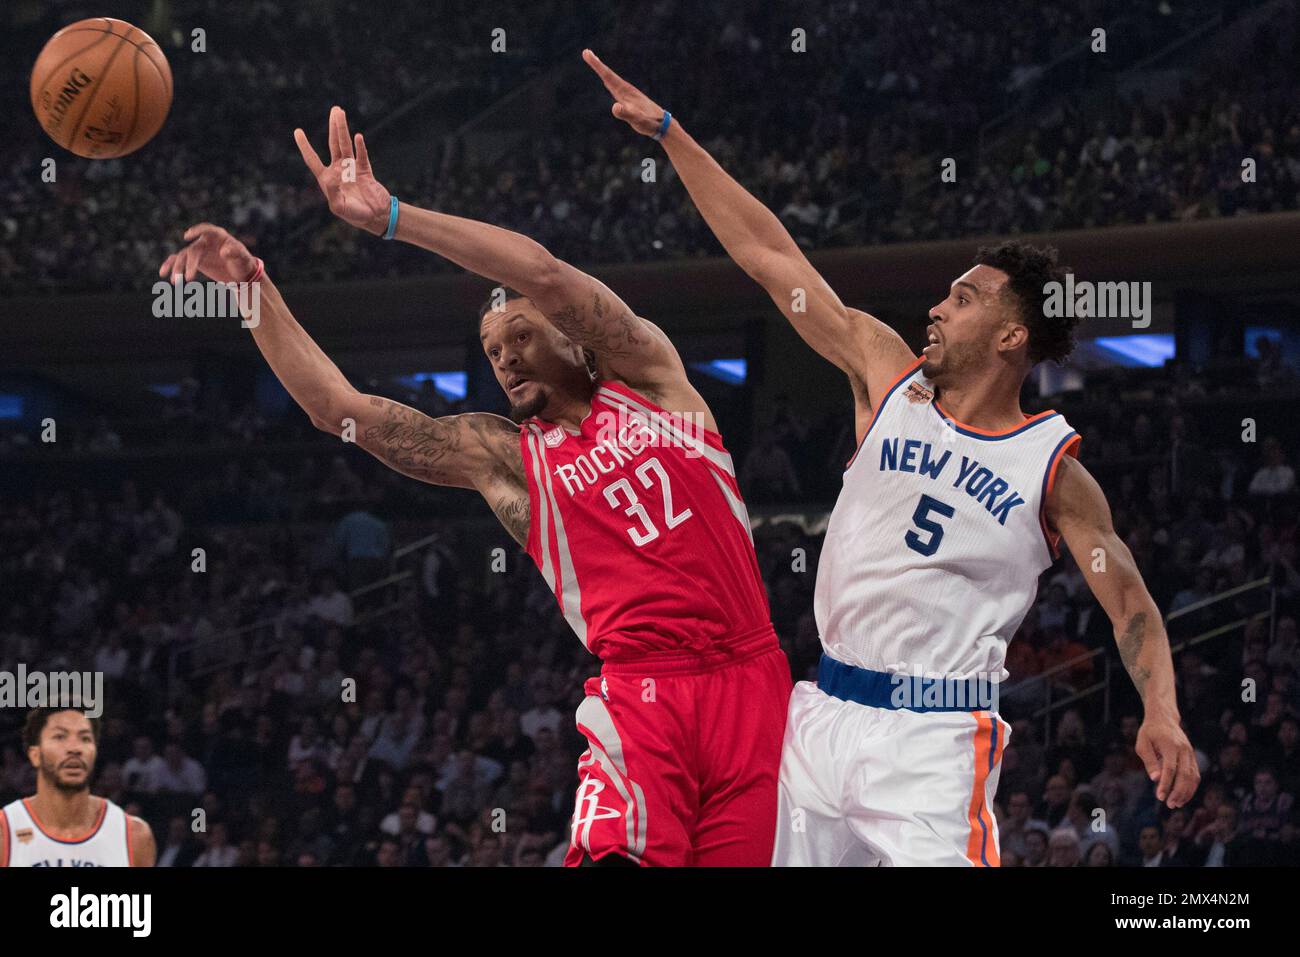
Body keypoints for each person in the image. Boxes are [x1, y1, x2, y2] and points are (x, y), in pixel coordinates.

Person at [586, 49, 1198, 866]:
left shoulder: (1054, 468)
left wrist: (1161, 708)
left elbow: (1130, 603)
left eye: (965, 298)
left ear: (1013, 336)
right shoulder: (889, 377)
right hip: (821, 715)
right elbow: (773, 260)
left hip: (933, 739)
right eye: (946, 292)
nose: (938, 307)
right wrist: (670, 135)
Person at [156, 105, 792, 865]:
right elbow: (340, 411)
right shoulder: (505, 457)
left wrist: (393, 216)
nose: (505, 357)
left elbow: (543, 272)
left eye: (520, 335)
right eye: (492, 348)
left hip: (754, 685)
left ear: (574, 338)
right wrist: (253, 289)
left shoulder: (652, 378)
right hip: (642, 695)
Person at [1, 707, 155, 867]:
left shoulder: (134, 835)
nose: (75, 748)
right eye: (60, 737)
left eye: (85, 738)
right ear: (35, 755)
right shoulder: (4, 833)